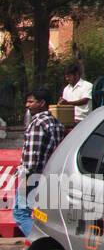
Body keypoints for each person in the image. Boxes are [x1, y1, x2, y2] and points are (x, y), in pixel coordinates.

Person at [13, 87, 67, 241]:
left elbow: (33, 156)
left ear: (42, 103)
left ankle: (39, 243)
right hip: (50, 175)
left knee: (21, 213)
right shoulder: (56, 123)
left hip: (33, 176)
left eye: (31, 102)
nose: (27, 105)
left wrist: (25, 177)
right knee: (42, 215)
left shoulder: (37, 124)